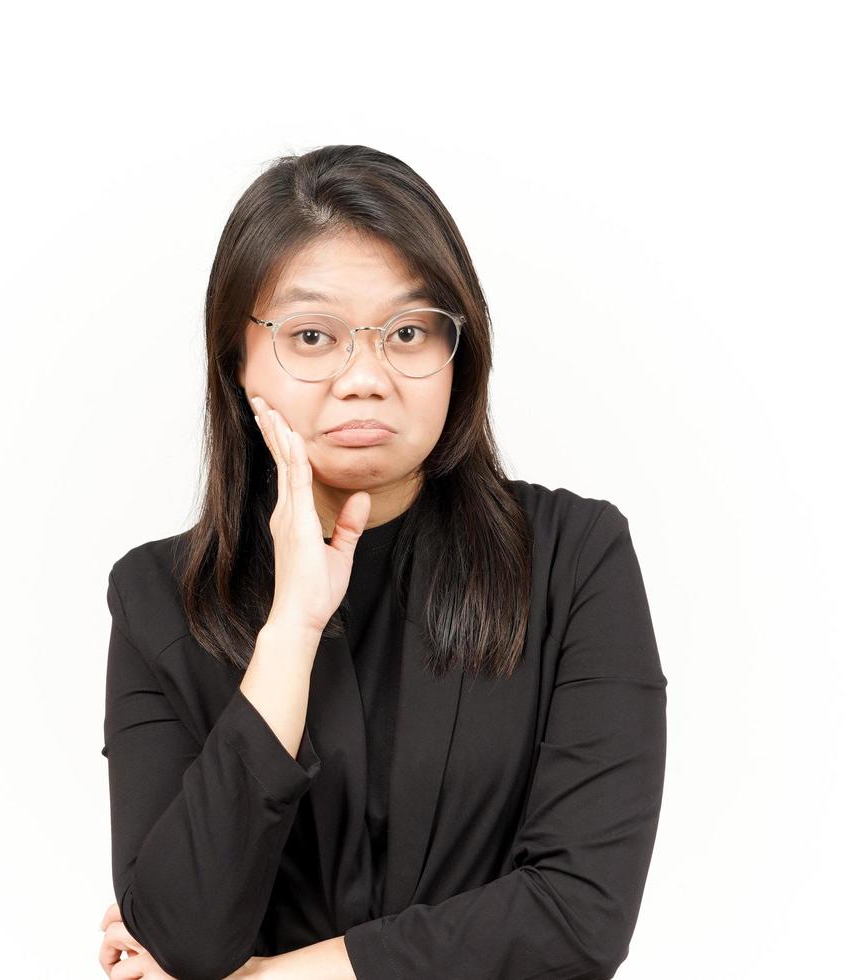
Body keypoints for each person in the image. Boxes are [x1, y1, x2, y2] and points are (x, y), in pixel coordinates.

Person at [97, 145, 667, 980]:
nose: (365, 377)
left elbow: (578, 917)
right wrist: (290, 630)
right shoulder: (156, 598)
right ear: (237, 360)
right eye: (313, 336)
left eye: (406, 332)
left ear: (457, 350)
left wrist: (268, 978)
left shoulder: (574, 557)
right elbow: (185, 932)